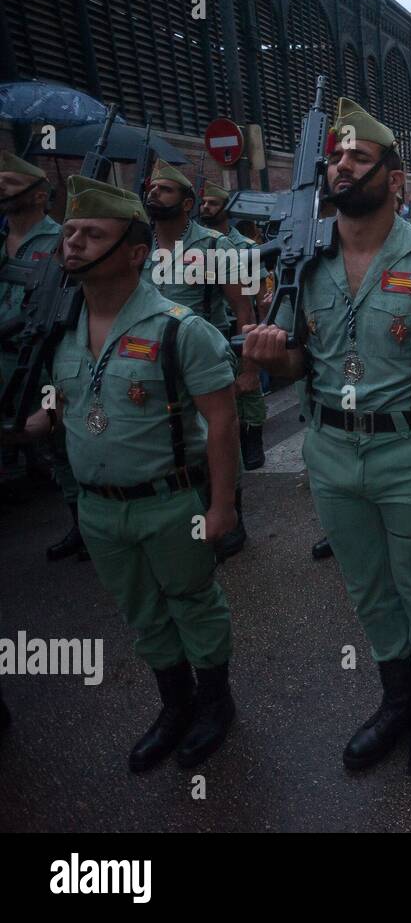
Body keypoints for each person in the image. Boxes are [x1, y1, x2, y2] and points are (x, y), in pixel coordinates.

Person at [241, 97, 411, 781]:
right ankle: (395, 699)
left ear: (395, 178)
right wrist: (269, 353)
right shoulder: (305, 262)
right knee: (369, 588)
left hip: (407, 451)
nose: (342, 166)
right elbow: (295, 360)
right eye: (335, 157)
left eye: (359, 157)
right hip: (329, 450)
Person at [5, 175, 240, 771]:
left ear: (135, 253)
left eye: (92, 233)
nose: (73, 242)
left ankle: (215, 703)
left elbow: (221, 421)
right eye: (73, 231)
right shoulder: (60, 328)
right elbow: (62, 396)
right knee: (142, 611)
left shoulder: (179, 330)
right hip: (99, 507)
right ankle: (174, 703)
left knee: (192, 601)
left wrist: (221, 507)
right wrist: (38, 418)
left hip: (170, 501)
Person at [142, 162, 258, 561]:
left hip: (206, 356)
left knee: (218, 434)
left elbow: (243, 307)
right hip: (153, 362)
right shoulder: (140, 248)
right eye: (152, 188)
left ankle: (231, 515)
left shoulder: (213, 246)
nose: (154, 194)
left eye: (166, 190)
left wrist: (249, 368)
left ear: (187, 203)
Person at [0, 150, 85, 558]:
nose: (2, 189)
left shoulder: (61, 241)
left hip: (49, 355)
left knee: (65, 443)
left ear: (38, 195)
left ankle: (84, 525)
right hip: (5, 361)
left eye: (11, 184)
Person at [197, 181, 268, 471]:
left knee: (247, 388)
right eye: (203, 203)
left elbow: (259, 297)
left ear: (226, 209)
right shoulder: (197, 246)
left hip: (240, 325)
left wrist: (260, 333)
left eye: (212, 204)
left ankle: (253, 440)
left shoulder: (245, 247)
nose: (205, 208)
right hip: (212, 331)